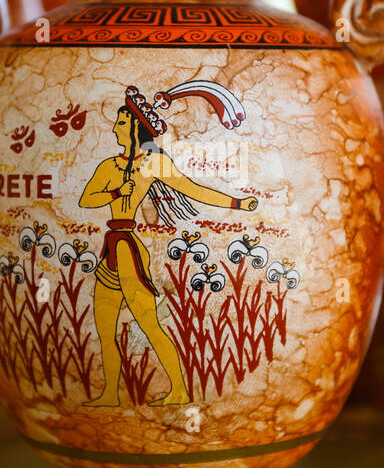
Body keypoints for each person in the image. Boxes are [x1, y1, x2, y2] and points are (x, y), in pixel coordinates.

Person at [78, 82, 257, 407]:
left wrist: (236, 203)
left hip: (128, 250)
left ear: (135, 127)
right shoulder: (109, 167)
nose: (115, 128)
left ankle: (178, 389)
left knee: (149, 324)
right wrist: (118, 193)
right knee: (105, 328)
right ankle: (109, 394)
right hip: (111, 250)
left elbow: (194, 189)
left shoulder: (152, 164)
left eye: (121, 122)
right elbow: (87, 198)